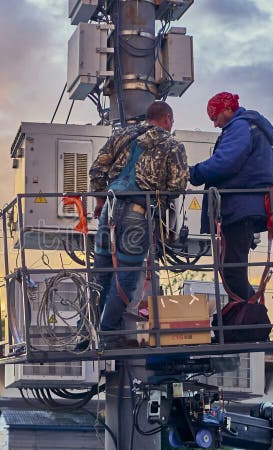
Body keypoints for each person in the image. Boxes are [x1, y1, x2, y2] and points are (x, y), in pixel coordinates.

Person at [84, 101, 188, 349]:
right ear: (167, 119)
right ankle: (107, 335)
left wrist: (100, 200)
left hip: (108, 210)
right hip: (137, 215)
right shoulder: (172, 145)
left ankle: (86, 333)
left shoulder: (121, 135)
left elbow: (97, 170)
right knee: (126, 279)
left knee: (100, 275)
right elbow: (176, 188)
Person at [189, 92, 273, 304]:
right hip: (247, 207)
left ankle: (248, 322)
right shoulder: (249, 126)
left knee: (232, 271)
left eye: (215, 118)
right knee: (233, 269)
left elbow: (225, 161)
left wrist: (193, 173)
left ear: (227, 110)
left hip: (240, 208)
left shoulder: (240, 127)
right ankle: (244, 319)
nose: (214, 124)